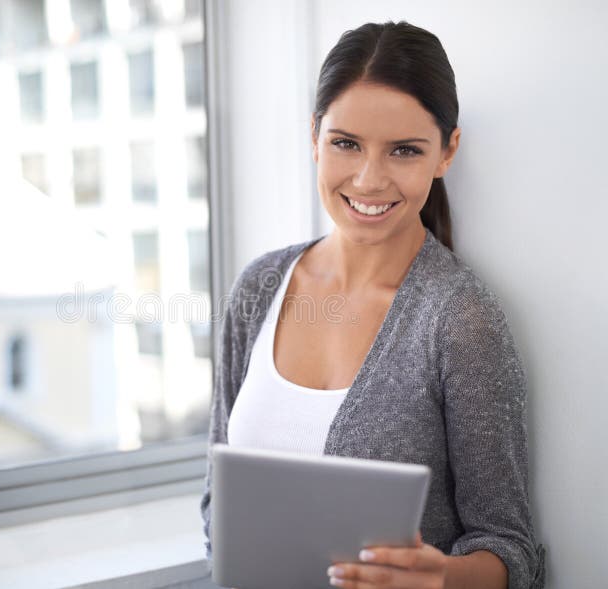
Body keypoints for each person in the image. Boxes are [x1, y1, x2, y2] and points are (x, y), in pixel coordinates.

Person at [200, 20, 546, 589]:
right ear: (314, 136)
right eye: (345, 143)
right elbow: (219, 498)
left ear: (446, 152)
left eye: (404, 151)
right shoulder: (259, 287)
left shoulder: (459, 322)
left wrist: (444, 578)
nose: (369, 179)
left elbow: (512, 552)